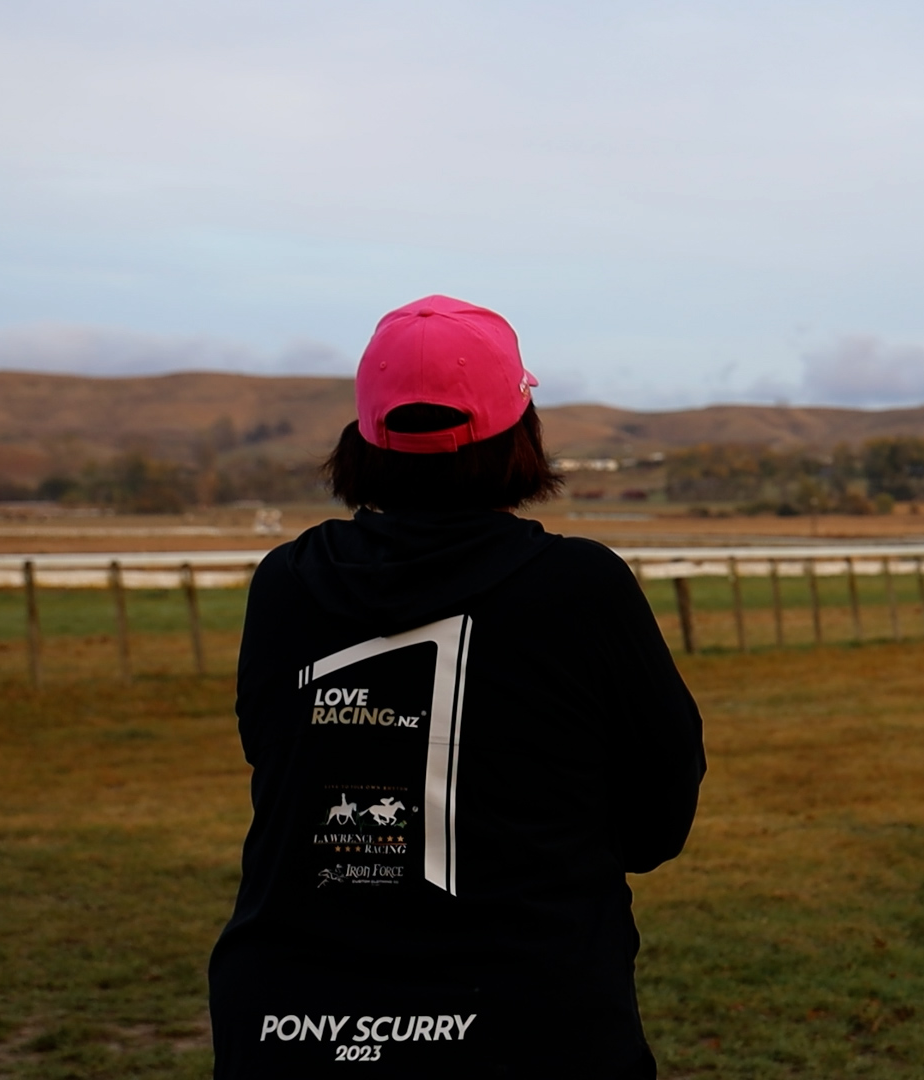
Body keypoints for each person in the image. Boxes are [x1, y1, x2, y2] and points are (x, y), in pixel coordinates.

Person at [208, 296, 706, 1079]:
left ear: (363, 438)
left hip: (292, 1024)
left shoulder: (287, 583)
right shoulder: (580, 587)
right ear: (521, 433)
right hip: (530, 1023)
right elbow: (658, 816)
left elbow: (270, 760)